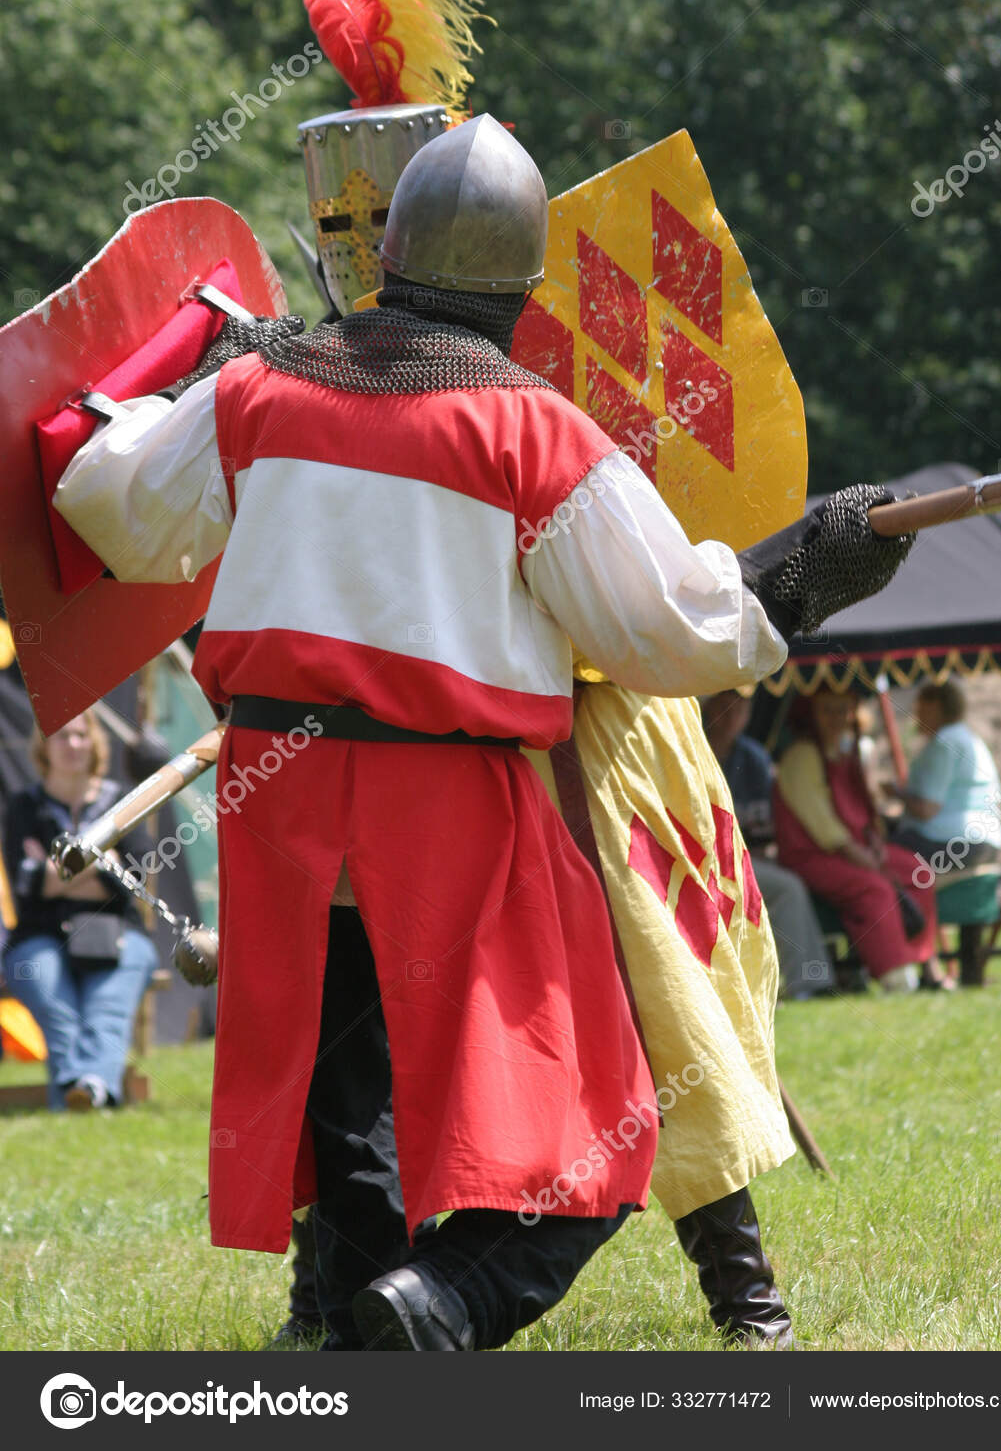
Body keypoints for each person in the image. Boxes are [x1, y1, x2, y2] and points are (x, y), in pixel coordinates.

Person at [53, 116, 913, 1350]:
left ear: (386, 252)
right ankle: (442, 1296)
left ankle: (358, 1331)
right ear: (520, 287)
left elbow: (111, 505)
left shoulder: (262, 387)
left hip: (282, 799)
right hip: (444, 804)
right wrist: (798, 584)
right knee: (602, 1107)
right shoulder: (532, 429)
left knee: (346, 1091)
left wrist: (203, 377)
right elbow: (662, 632)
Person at [1, 710, 157, 1109]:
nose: (72, 745)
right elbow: (26, 885)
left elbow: (132, 881)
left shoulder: (123, 803)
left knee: (106, 1009)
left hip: (118, 931)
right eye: (61, 736)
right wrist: (103, 866)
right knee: (59, 1010)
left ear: (94, 742)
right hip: (39, 937)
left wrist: (56, 873)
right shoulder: (23, 807)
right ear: (44, 747)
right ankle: (93, 1090)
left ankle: (80, 1090)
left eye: (80, 735)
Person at [774, 686, 939, 993]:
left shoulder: (846, 752)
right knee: (873, 888)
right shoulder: (802, 756)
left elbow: (864, 808)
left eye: (842, 709)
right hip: (812, 856)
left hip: (856, 849)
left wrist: (875, 842)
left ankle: (922, 962)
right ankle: (896, 977)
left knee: (919, 873)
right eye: (827, 710)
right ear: (812, 714)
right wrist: (859, 854)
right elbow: (820, 822)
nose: (836, 718)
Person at [701, 688, 833, 1000]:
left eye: (740, 710)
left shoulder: (753, 758)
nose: (732, 718)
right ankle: (807, 982)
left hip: (743, 859)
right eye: (725, 708)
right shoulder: (693, 751)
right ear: (709, 708)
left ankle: (811, 981)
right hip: (698, 859)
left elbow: (763, 831)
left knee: (787, 885)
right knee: (787, 888)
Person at [883, 679, 1001, 874]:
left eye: (920, 708)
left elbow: (927, 809)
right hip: (982, 840)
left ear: (935, 707)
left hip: (954, 841)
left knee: (875, 853)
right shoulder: (965, 738)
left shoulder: (946, 742)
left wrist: (896, 793)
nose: (916, 714)